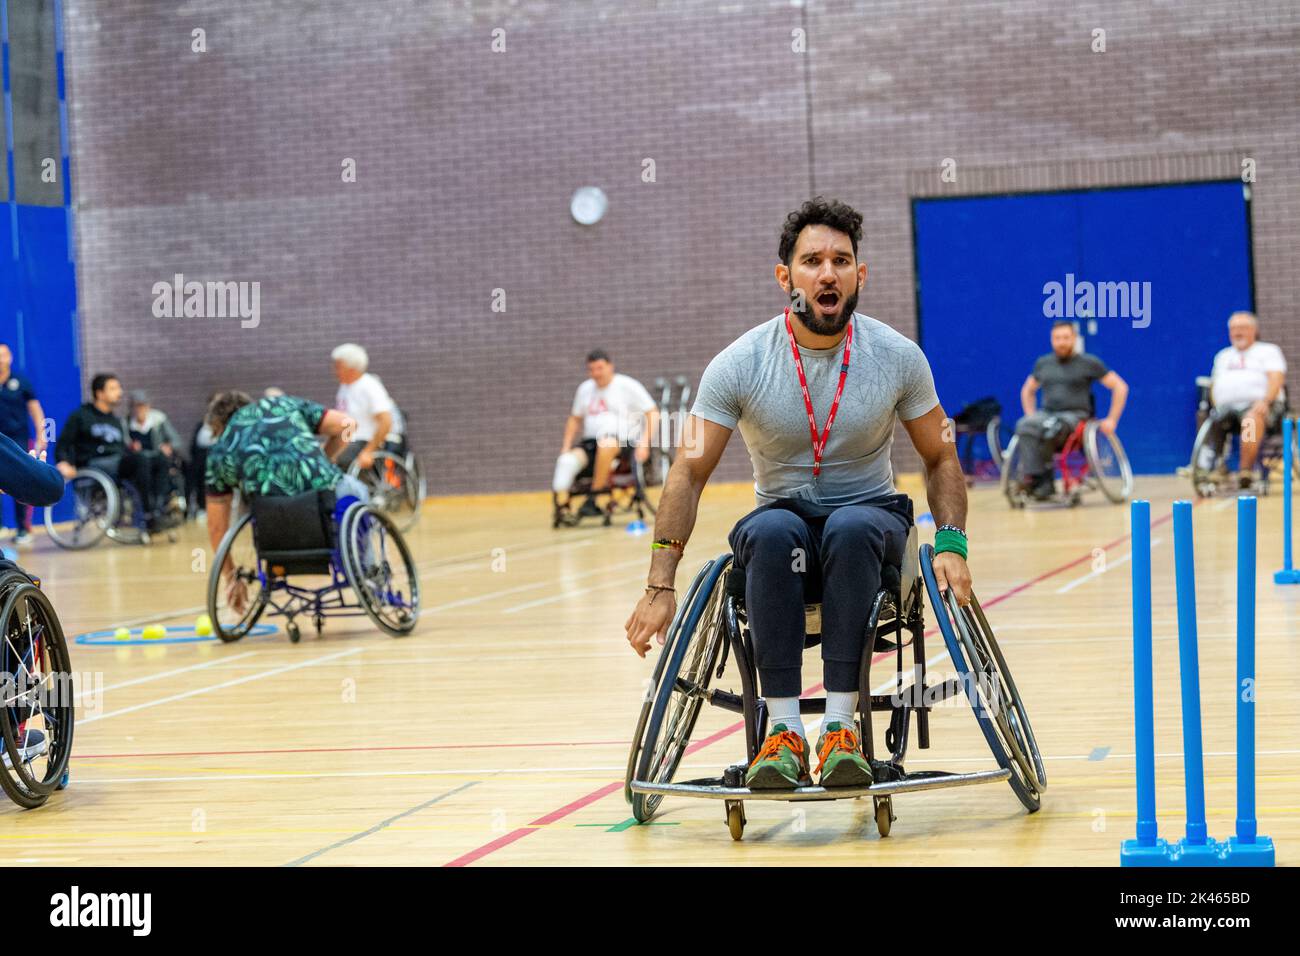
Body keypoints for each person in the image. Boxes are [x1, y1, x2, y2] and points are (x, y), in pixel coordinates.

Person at [624, 196, 971, 791]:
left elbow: (940, 454)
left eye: (841, 260)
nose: (828, 273)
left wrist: (952, 543)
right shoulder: (740, 363)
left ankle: (841, 730)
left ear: (861, 275)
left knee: (851, 526)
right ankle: (781, 732)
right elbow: (686, 472)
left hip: (871, 525)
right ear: (786, 277)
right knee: (767, 530)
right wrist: (660, 584)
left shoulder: (897, 357)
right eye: (812, 261)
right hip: (783, 528)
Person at [203, 391, 362, 613]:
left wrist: (231, 577)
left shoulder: (219, 452)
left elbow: (216, 527)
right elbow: (348, 425)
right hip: (323, 511)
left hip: (275, 534)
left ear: (219, 425)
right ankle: (367, 571)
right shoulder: (283, 405)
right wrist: (325, 460)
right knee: (354, 488)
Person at [1014, 321, 1129, 500]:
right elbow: (1028, 390)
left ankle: (1041, 481)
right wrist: (1031, 415)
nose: (1061, 342)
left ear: (1074, 339)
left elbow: (1120, 387)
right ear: (1052, 339)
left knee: (1050, 427)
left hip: (1075, 418)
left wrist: (1112, 419)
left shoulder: (1089, 362)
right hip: (1046, 414)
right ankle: (1037, 480)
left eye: (1066, 338)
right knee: (1024, 425)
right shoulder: (1043, 363)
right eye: (1057, 338)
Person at [53, 374, 171, 529]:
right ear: (100, 393)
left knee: (160, 459)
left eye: (119, 388)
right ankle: (149, 515)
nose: (120, 392)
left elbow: (121, 449)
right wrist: (63, 462)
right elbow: (63, 444)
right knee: (141, 459)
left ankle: (158, 509)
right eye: (114, 388)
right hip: (94, 464)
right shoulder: (80, 416)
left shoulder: (115, 421)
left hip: (118, 463)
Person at [553, 350, 658, 518]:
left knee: (607, 443)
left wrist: (645, 443)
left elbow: (652, 412)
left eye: (600, 368)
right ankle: (562, 503)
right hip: (591, 443)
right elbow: (574, 419)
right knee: (567, 461)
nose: (596, 373)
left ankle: (592, 498)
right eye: (591, 369)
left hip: (624, 443)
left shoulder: (627, 385)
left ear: (610, 366)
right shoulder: (585, 389)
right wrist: (565, 447)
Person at [1196, 311, 1287, 490]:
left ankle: (1245, 471)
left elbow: (1276, 378)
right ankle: (1212, 465)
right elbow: (1215, 385)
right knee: (1207, 418)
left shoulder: (1267, 351)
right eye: (1234, 329)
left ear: (1254, 330)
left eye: (1243, 328)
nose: (1238, 332)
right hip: (1228, 409)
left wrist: (1265, 401)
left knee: (1250, 422)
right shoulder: (1223, 356)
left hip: (1260, 407)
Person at [0, 344, 47, 547]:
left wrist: (41, 433)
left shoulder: (21, 382)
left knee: (19, 483)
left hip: (18, 440)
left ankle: (22, 529)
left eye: (3, 355)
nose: (0, 359)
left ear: (10, 357)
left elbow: (35, 409)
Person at [330, 344, 394, 472]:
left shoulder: (369, 387)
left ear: (352, 369)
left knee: (335, 461)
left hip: (363, 441)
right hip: (346, 440)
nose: (335, 371)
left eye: (338, 367)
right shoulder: (345, 387)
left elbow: (386, 421)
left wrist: (368, 451)